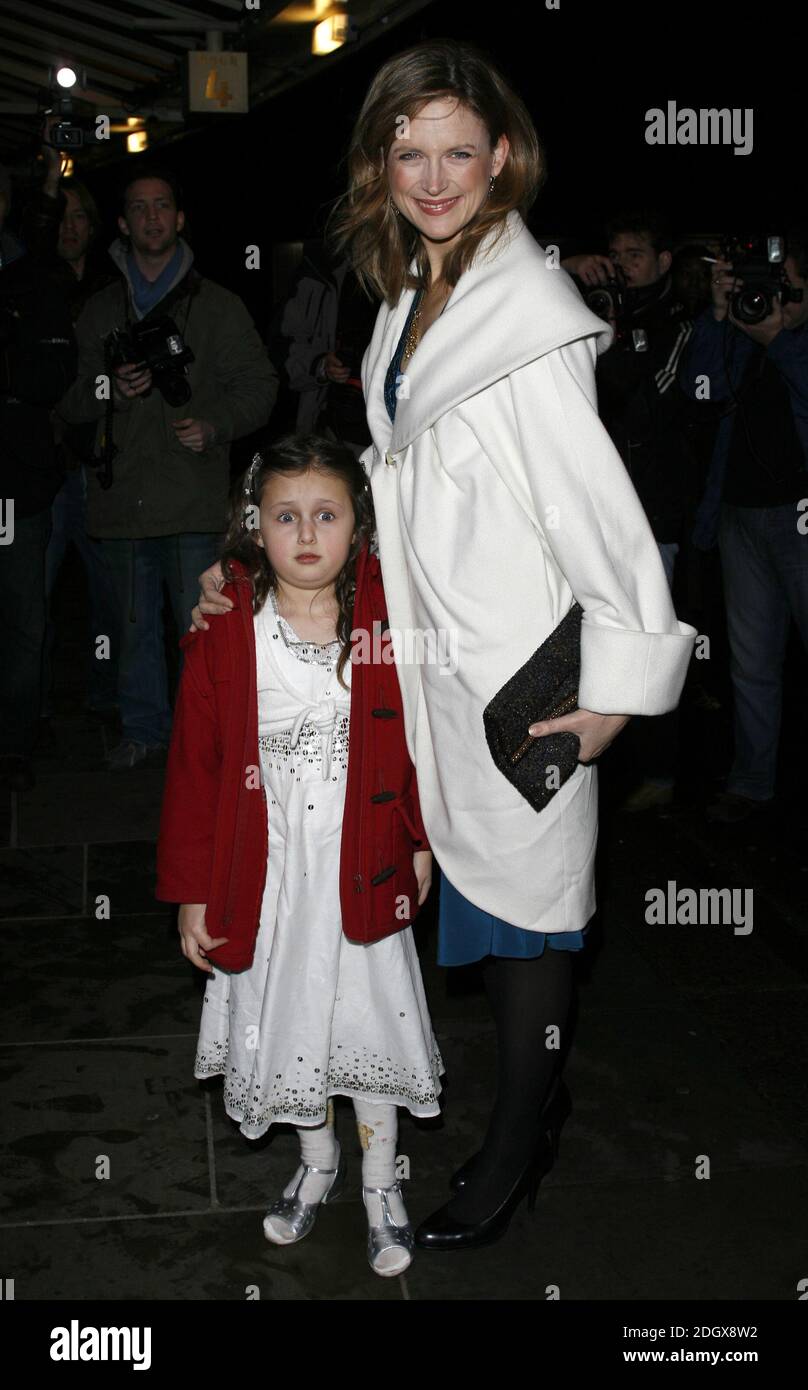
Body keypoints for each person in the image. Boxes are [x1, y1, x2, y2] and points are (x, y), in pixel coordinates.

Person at [193, 38, 696, 1252]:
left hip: (518, 685)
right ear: (380, 163)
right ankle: (533, 1096)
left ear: (502, 158)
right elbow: (388, 496)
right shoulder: (418, 294)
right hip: (428, 669)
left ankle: (519, 1140)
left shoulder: (526, 320)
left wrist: (617, 697)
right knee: (468, 917)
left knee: (522, 931)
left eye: (457, 153)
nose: (432, 177)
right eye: (408, 152)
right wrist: (262, 570)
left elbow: (604, 518)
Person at [156, 434, 443, 1277]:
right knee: (288, 1017)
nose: (307, 534)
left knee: (367, 1021)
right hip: (268, 869)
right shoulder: (227, 626)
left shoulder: (389, 620)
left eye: (327, 514)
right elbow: (197, 768)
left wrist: (421, 839)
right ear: (256, 526)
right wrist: (193, 892)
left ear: (360, 527)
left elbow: (426, 738)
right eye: (286, 517)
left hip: (363, 859)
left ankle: (382, 1181)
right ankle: (318, 1162)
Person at [56, 165, 278, 769]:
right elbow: (68, 398)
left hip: (193, 501)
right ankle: (144, 731)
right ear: (123, 224)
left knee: (201, 631)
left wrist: (215, 425)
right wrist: (110, 388)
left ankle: (203, 740)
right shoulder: (100, 309)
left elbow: (262, 386)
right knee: (132, 634)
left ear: (179, 219)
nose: (152, 217)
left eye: (163, 206)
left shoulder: (219, 305)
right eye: (139, 208)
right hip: (120, 501)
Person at [563, 211, 697, 811]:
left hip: (652, 512)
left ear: (663, 260)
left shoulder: (677, 321)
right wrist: (570, 276)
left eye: (635, 255)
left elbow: (638, 401)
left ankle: (661, 773)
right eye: (614, 254)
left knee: (650, 637)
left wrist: (611, 330)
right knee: (592, 636)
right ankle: (601, 759)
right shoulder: (594, 304)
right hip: (592, 509)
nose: (622, 266)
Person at [681, 230, 808, 822]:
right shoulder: (739, 331)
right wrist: (718, 312)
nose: (773, 302)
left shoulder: (790, 337)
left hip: (798, 517)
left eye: (789, 292)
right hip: (738, 514)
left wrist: (779, 338)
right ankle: (752, 783)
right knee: (751, 665)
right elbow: (696, 387)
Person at [23, 139, 121, 725]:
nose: (70, 227)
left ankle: (107, 694)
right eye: (61, 217)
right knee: (31, 592)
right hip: (44, 468)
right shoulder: (31, 284)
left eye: (80, 216)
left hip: (101, 465)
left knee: (112, 597)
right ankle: (30, 703)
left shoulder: (116, 286)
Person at [0, 162, 76, 790]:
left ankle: (15, 741)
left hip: (15, 482)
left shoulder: (31, 281)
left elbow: (51, 378)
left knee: (25, 615)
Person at [279, 240, 378, 455]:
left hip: (388, 434)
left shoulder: (416, 274)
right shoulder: (319, 273)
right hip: (330, 429)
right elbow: (282, 350)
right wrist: (322, 365)